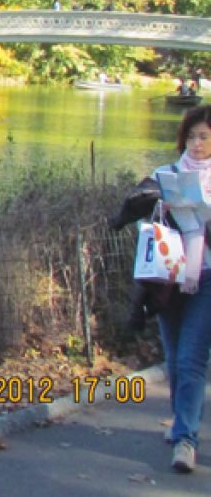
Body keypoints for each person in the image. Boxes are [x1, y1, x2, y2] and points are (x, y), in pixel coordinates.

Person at [155, 105, 211, 473]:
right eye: (191, 136)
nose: (197, 143)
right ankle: (181, 420)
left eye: (204, 136)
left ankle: (185, 440)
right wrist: (156, 201)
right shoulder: (169, 173)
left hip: (206, 277)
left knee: (192, 358)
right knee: (174, 358)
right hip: (170, 278)